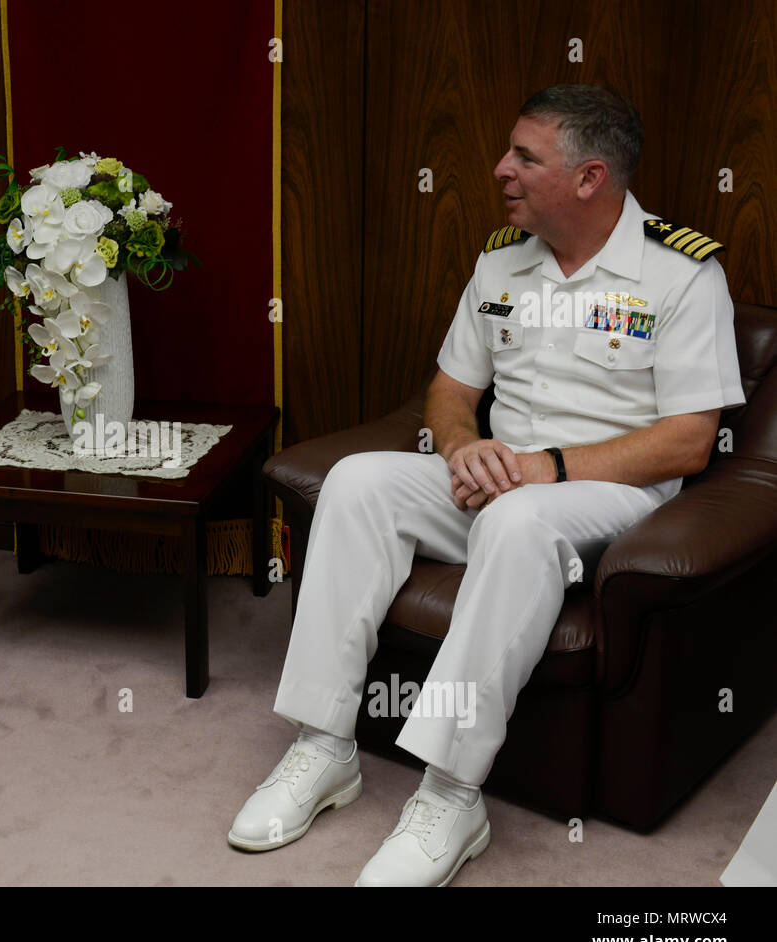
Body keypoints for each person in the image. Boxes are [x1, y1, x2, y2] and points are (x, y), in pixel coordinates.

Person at [228, 84, 744, 885]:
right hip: (502, 478)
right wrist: (464, 445)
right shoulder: (502, 260)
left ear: (589, 177)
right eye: (510, 150)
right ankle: (323, 747)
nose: (501, 168)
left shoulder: (679, 274)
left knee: (518, 524)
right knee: (357, 482)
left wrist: (551, 468)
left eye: (525, 157)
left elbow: (688, 440)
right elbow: (451, 389)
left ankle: (449, 794)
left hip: (608, 495)